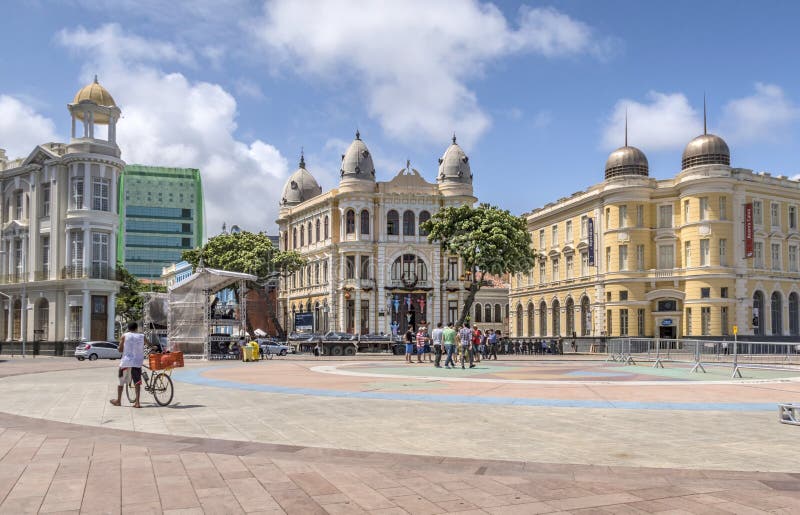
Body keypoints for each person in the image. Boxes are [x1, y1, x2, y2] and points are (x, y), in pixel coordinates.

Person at [110, 321, 148, 408]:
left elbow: (120, 349)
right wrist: (153, 347)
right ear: (136, 328)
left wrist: (122, 346)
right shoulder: (142, 336)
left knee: (121, 381)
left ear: (128, 328)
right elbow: (149, 344)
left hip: (126, 362)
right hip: (137, 362)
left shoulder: (125, 335)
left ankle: (118, 401)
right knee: (137, 382)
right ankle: (137, 403)